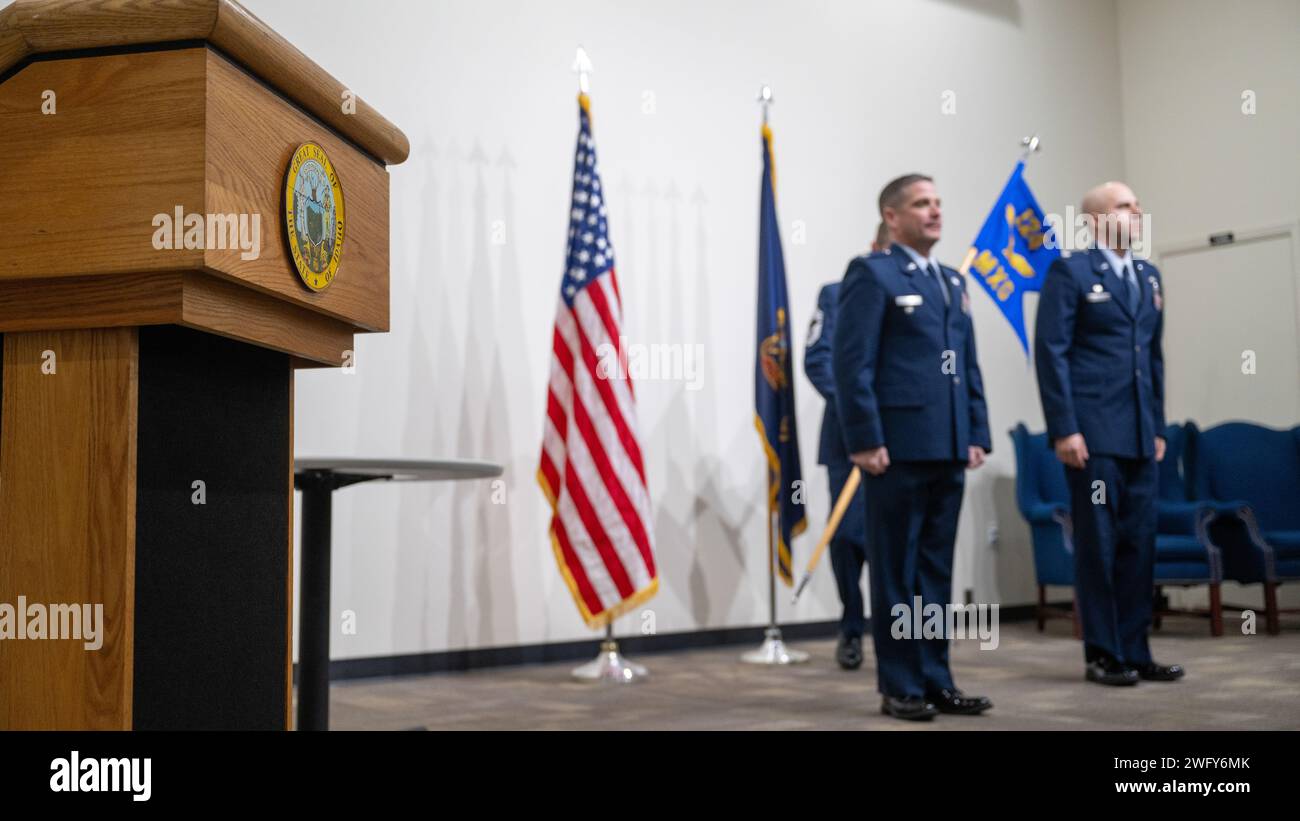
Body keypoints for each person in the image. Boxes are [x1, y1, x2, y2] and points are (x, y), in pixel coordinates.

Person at [832, 174, 992, 721]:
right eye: (922, 204)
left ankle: (935, 677)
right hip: (895, 450)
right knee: (896, 572)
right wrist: (866, 439)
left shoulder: (950, 282)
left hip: (946, 446)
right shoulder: (871, 274)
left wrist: (976, 432)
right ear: (892, 216)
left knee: (933, 574)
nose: (935, 212)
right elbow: (852, 364)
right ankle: (900, 684)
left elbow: (967, 365)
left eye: (939, 203)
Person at [1034, 181, 1184, 687]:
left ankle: (1136, 648)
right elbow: (1051, 353)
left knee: (1139, 543)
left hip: (1140, 434)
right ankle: (1102, 652)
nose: (1137, 210)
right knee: (1098, 544)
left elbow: (1154, 358)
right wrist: (1064, 428)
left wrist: (1158, 425)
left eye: (1138, 204)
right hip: (1092, 435)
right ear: (1096, 220)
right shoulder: (1071, 271)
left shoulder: (1147, 275)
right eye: (1125, 205)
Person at [804, 222, 890, 670]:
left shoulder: (926, 291)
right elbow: (817, 358)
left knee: (897, 541)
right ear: (874, 247)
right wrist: (862, 409)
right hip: (848, 438)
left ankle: (904, 633)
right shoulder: (836, 294)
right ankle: (852, 624)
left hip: (907, 441)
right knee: (848, 537)